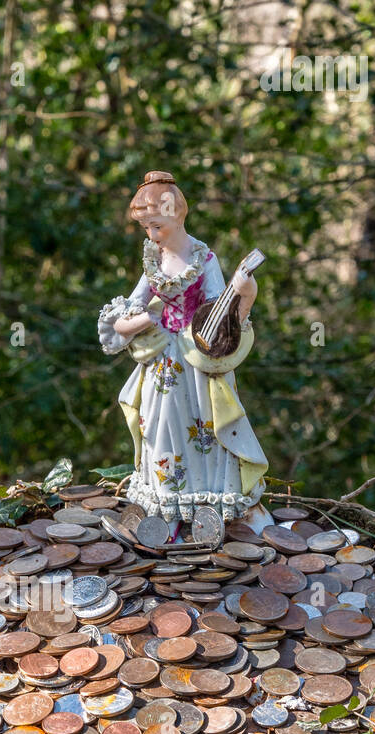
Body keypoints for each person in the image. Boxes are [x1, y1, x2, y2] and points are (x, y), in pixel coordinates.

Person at [98, 170, 273, 534]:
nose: (151, 234)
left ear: (175, 213)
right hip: (163, 363)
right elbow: (127, 313)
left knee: (210, 428)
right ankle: (169, 514)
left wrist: (245, 293)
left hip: (199, 359)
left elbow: (223, 316)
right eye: (146, 227)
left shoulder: (203, 259)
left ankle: (216, 506)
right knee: (160, 429)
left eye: (156, 225)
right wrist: (139, 321)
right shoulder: (154, 263)